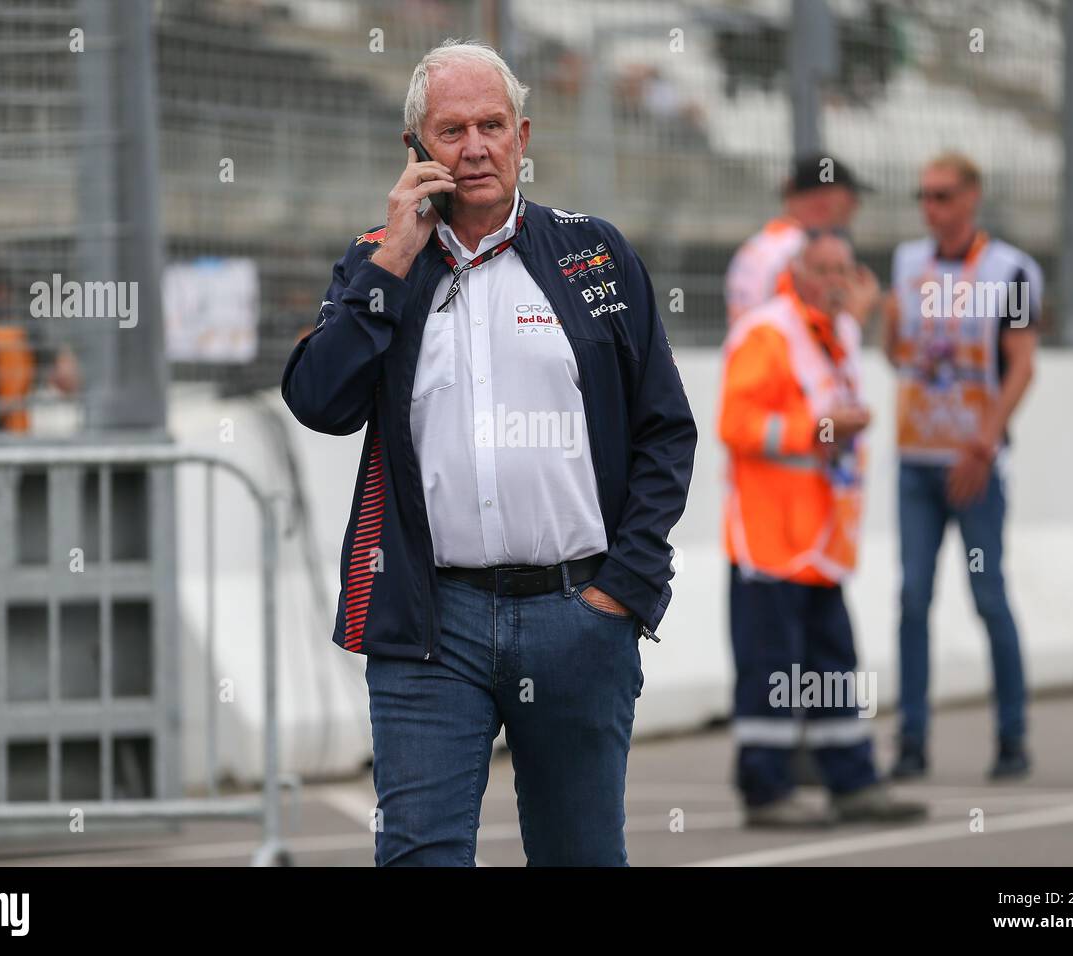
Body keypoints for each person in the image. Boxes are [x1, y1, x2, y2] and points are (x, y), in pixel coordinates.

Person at [281, 40, 696, 866]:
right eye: (450, 131)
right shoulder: (377, 261)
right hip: (431, 623)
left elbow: (665, 430)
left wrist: (626, 589)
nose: (473, 147)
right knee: (418, 857)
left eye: (491, 126)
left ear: (523, 136)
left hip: (578, 614)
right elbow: (316, 401)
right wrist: (393, 257)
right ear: (416, 151)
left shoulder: (594, 252)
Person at [719, 230, 925, 827]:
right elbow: (737, 422)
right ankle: (765, 789)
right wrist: (821, 425)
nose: (838, 279)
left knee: (833, 665)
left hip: (819, 541)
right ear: (799, 273)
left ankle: (852, 780)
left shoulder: (834, 337)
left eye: (846, 267)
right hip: (770, 539)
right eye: (825, 268)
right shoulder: (768, 332)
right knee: (772, 665)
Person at [882, 152, 1042, 780]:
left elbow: (1024, 362)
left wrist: (986, 440)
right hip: (917, 461)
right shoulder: (906, 263)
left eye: (944, 195)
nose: (932, 208)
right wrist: (887, 328)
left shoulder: (1014, 271)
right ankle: (912, 741)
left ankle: (1012, 737)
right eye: (924, 195)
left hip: (975, 463)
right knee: (912, 598)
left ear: (972, 196)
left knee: (988, 597)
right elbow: (899, 356)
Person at [724, 153, 869, 328]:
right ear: (824, 198)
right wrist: (854, 315)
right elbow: (805, 330)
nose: (856, 206)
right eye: (851, 197)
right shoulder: (800, 249)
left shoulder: (762, 243)